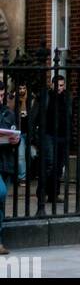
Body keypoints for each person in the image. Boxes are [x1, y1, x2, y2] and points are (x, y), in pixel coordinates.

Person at [0, 80, 21, 256]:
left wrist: (16, 140)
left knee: (0, 202)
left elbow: (15, 134)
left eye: (1, 96)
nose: (0, 99)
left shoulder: (8, 113)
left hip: (5, 161)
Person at [45, 75, 73, 203]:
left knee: (58, 166)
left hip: (62, 135)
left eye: (61, 85)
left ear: (65, 86)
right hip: (49, 134)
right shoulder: (47, 97)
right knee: (50, 164)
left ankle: (54, 194)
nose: (59, 88)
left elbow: (71, 116)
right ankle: (42, 191)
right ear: (51, 85)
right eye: (56, 85)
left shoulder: (68, 97)